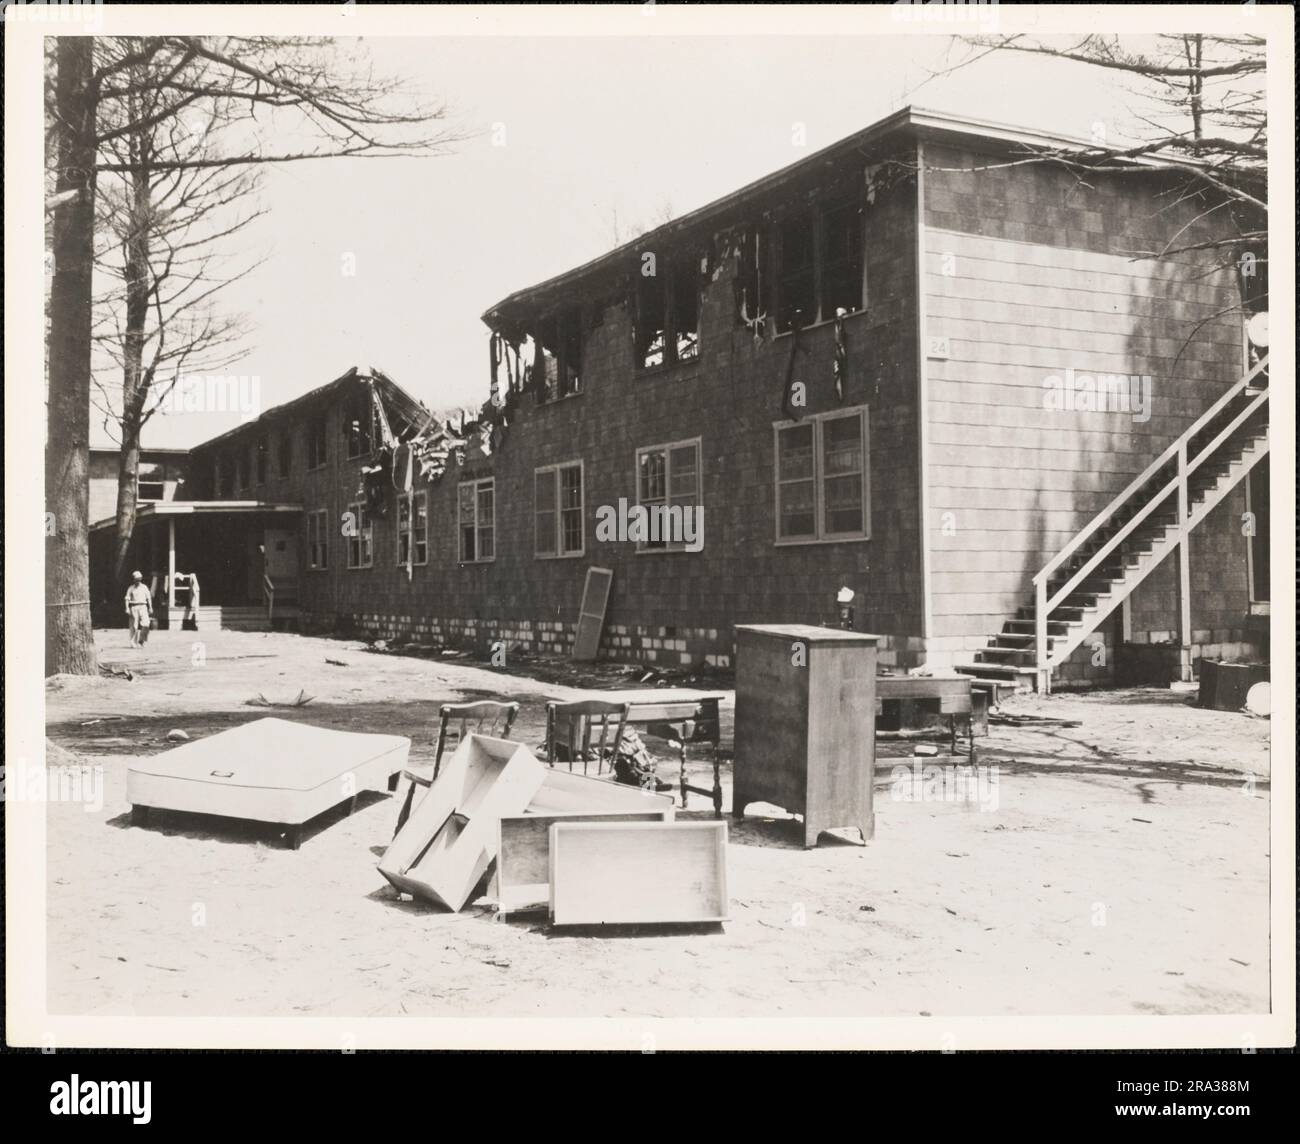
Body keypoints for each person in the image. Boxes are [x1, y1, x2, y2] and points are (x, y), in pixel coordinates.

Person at [125, 571, 154, 647]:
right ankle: (133, 643)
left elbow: (148, 598)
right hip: (134, 606)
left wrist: (150, 607)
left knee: (146, 624)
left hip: (143, 606)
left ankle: (142, 640)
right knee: (134, 626)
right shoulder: (131, 588)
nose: (138, 581)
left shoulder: (144, 587)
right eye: (136, 579)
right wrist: (127, 608)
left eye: (139, 579)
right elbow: (127, 598)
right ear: (133, 579)